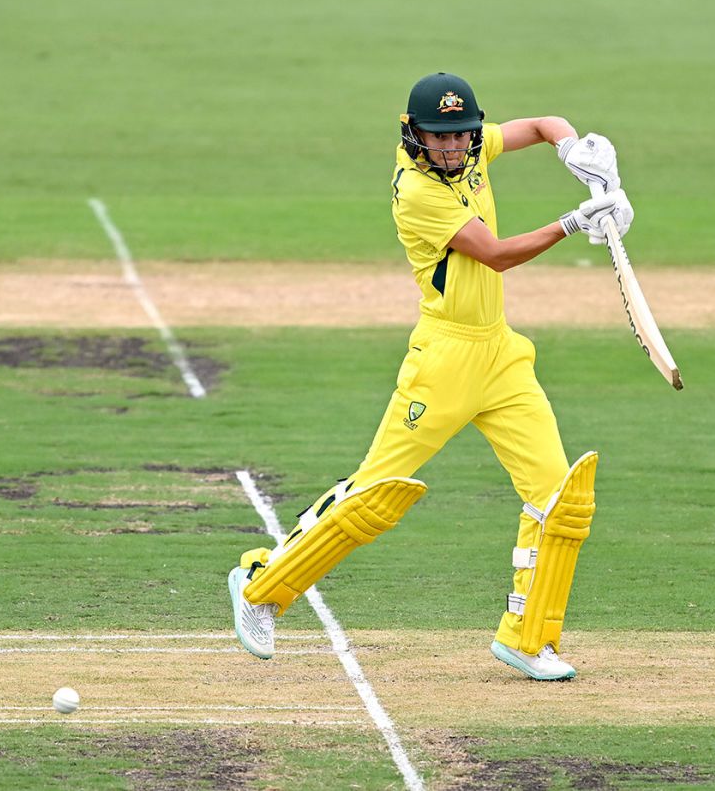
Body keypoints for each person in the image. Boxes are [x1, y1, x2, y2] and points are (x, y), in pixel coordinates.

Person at [229, 72, 631, 681]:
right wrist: (576, 223)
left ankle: (528, 636)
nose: (452, 147)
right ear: (414, 135)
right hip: (443, 359)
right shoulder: (417, 191)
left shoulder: (471, 149)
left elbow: (543, 125)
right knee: (374, 496)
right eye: (438, 138)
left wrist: (576, 151)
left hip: (501, 354)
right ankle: (261, 586)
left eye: (462, 135)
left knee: (559, 499)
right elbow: (494, 253)